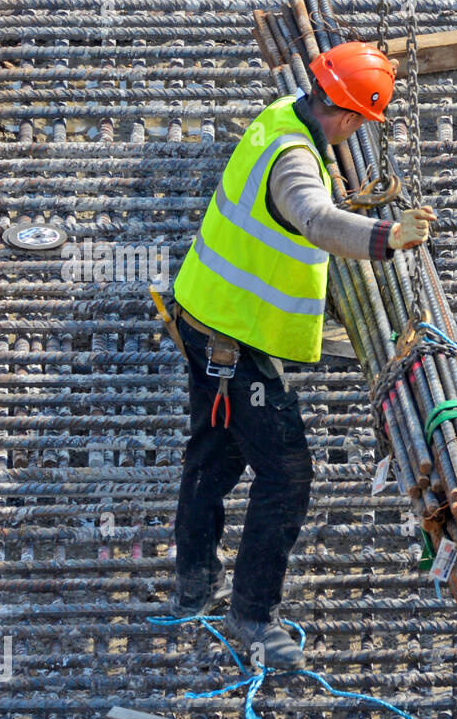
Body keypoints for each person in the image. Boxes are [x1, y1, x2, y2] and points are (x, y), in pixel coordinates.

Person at [166, 40, 434, 668]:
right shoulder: (292, 158)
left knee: (215, 453)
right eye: (361, 122)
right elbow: (313, 218)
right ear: (345, 115)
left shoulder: (283, 115)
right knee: (286, 477)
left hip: (207, 317)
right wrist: (387, 235)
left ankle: (192, 586)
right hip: (235, 342)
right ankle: (253, 615)